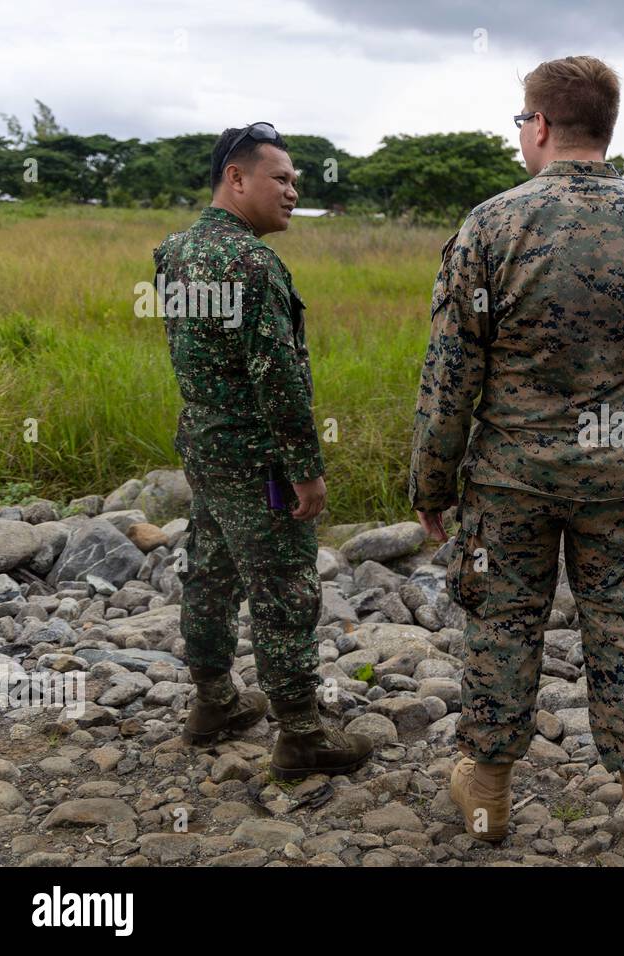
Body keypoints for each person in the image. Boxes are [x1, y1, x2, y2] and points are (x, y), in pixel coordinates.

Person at [408, 56, 624, 851]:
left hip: (512, 477)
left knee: (502, 627)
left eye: (520, 121)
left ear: (538, 125)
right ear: (607, 126)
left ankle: (489, 794)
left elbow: (452, 368)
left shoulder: (490, 225)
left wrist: (430, 481)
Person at [156, 123, 372, 779]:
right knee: (283, 590)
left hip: (205, 443)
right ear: (237, 179)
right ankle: (302, 737)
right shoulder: (253, 264)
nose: (292, 190)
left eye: (295, 179)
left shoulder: (173, 251)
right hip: (256, 457)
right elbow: (277, 382)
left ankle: (214, 701)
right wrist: (306, 472)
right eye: (280, 178)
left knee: (213, 568)